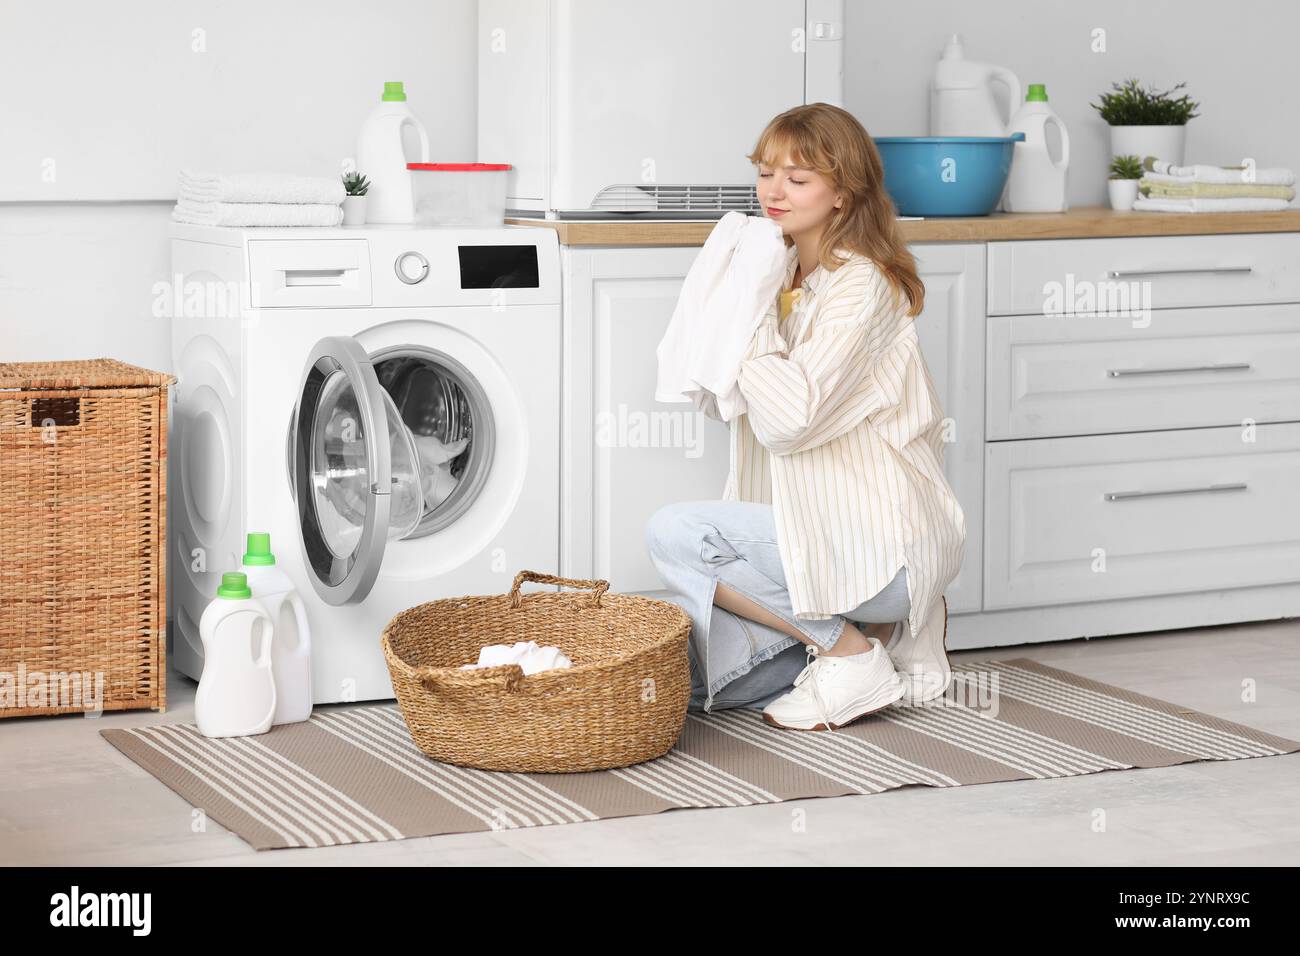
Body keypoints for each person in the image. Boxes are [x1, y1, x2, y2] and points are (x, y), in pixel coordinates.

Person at [645, 103, 966, 732]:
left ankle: (852, 650)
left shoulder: (864, 287)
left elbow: (789, 420)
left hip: (879, 548)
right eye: (766, 173)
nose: (773, 192)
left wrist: (752, 307)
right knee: (701, 682)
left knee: (674, 533)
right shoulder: (781, 271)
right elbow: (720, 397)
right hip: (812, 543)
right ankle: (871, 635)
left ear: (843, 194)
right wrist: (747, 293)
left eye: (798, 179)